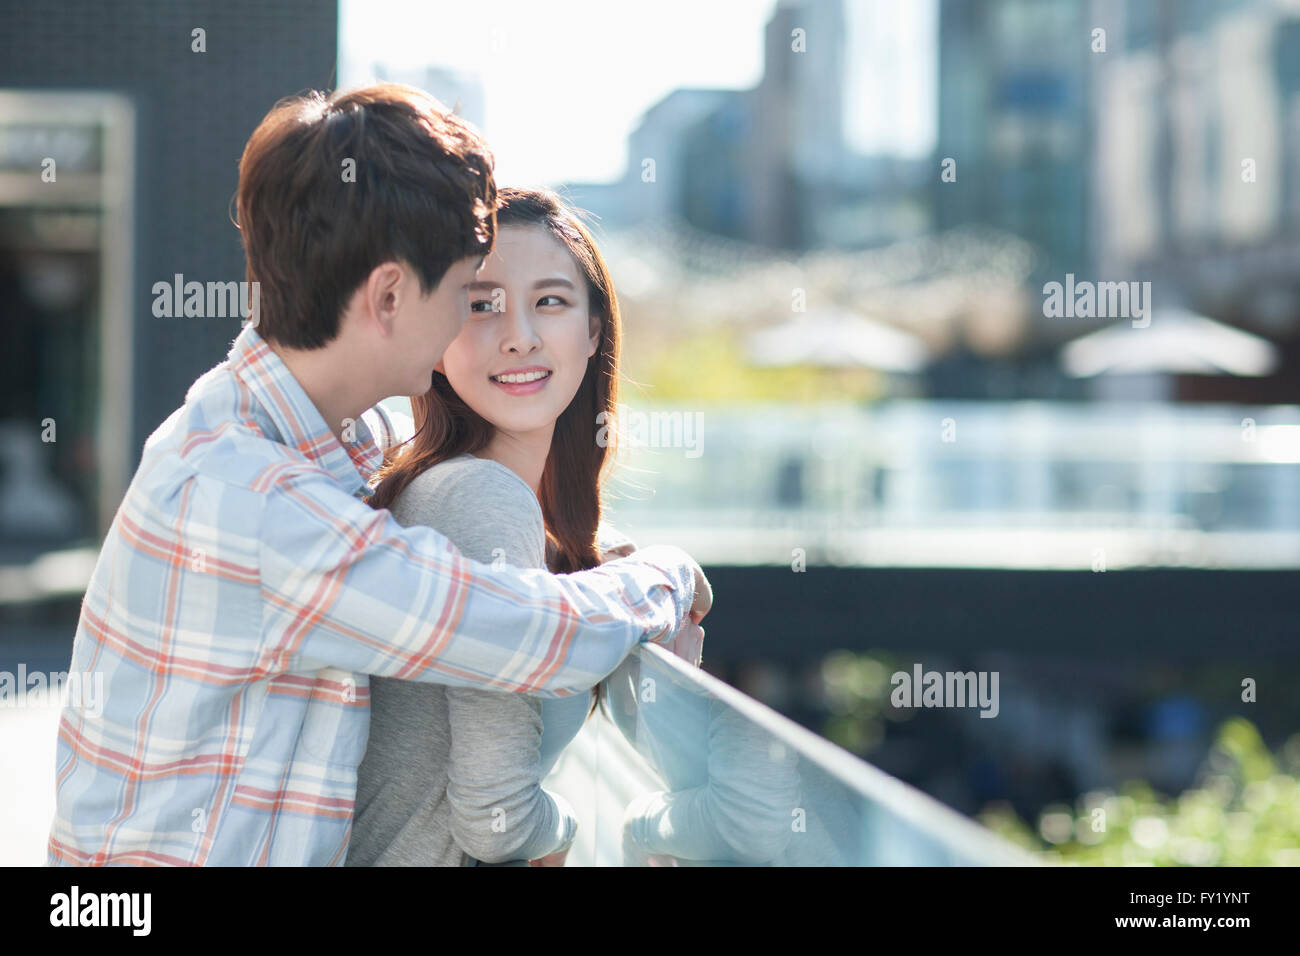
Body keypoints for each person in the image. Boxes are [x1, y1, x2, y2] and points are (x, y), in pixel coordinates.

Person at [46, 84, 710, 867]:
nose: (479, 326)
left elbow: (460, 480)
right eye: (470, 295)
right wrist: (667, 578)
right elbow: (531, 636)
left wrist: (604, 547)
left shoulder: (292, 433)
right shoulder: (253, 499)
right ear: (390, 295)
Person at [347, 187, 700, 867]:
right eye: (481, 305)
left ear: (594, 330)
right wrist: (567, 832)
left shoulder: (466, 499)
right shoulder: (477, 494)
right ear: (437, 336)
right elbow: (499, 823)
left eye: (550, 301)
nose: (519, 335)